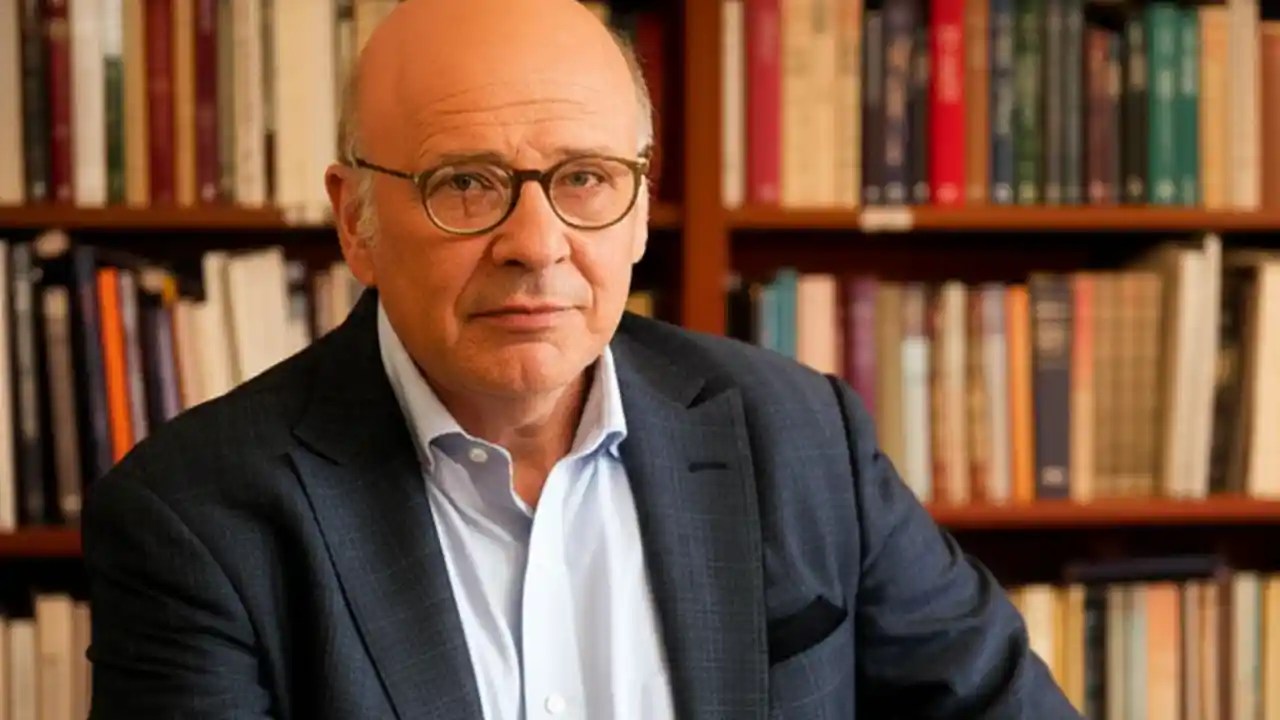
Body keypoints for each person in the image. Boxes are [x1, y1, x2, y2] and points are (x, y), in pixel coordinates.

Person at [81, 0, 1080, 717]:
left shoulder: (798, 436)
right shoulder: (197, 517)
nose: (536, 242)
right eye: (464, 184)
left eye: (586, 178)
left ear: (640, 208)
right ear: (354, 220)